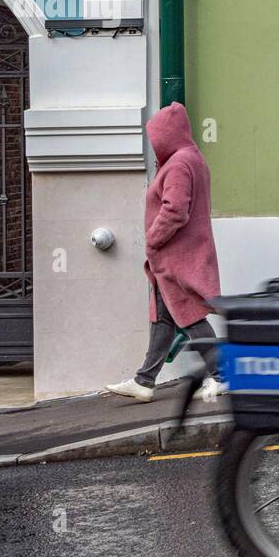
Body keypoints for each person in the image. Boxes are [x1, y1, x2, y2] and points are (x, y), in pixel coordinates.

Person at [107, 102, 226, 403]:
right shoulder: (189, 159)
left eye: (155, 136)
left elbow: (175, 211)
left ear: (168, 135)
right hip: (174, 258)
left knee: (191, 316)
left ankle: (222, 376)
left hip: (177, 258)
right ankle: (144, 381)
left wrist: (153, 239)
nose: (152, 142)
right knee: (163, 318)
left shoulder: (179, 164)